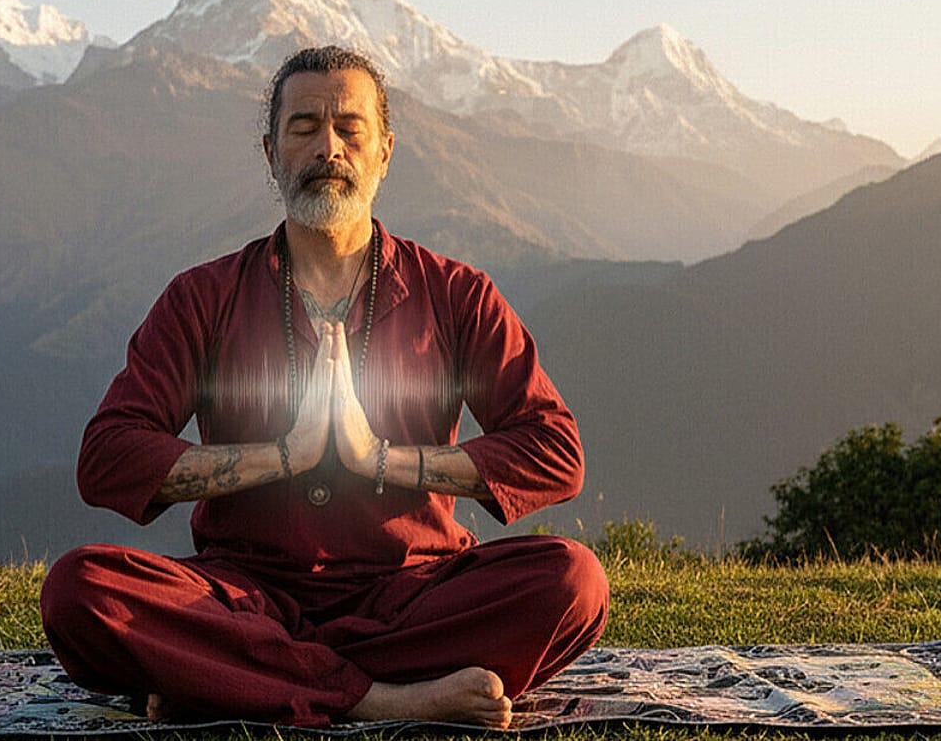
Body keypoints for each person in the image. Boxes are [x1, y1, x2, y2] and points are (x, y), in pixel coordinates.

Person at [40, 45, 608, 729]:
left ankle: (229, 676)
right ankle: (384, 696)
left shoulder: (456, 295)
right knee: (80, 589)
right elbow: (106, 459)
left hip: (412, 590)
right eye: (303, 127)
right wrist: (282, 455)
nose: (328, 147)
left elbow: (554, 452)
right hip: (245, 591)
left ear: (385, 151)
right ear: (270, 151)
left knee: (573, 582)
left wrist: (381, 458)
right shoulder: (203, 296)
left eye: (350, 128)